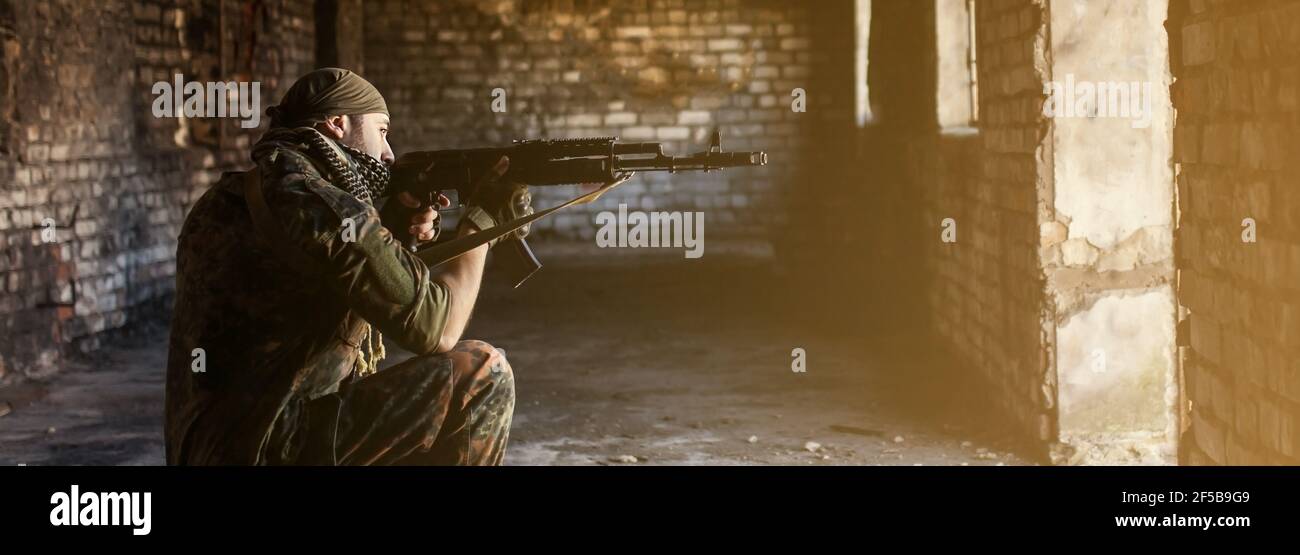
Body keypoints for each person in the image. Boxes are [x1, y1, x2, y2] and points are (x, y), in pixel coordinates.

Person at [164, 68, 527, 465]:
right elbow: (436, 328)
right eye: (382, 130)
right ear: (337, 124)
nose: (389, 153)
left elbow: (308, 275)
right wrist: (481, 223)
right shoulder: (327, 205)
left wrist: (391, 232)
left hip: (206, 449)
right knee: (482, 372)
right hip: (275, 448)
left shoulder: (226, 198)